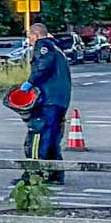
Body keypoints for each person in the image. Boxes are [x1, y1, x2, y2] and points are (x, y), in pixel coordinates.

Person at [24, 17, 73, 177]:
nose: (29, 40)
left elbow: (42, 67)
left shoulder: (43, 45)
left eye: (30, 36)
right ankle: (55, 174)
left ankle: (36, 174)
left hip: (48, 99)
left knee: (39, 136)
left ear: (37, 35)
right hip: (60, 100)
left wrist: (29, 84)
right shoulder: (57, 48)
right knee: (53, 138)